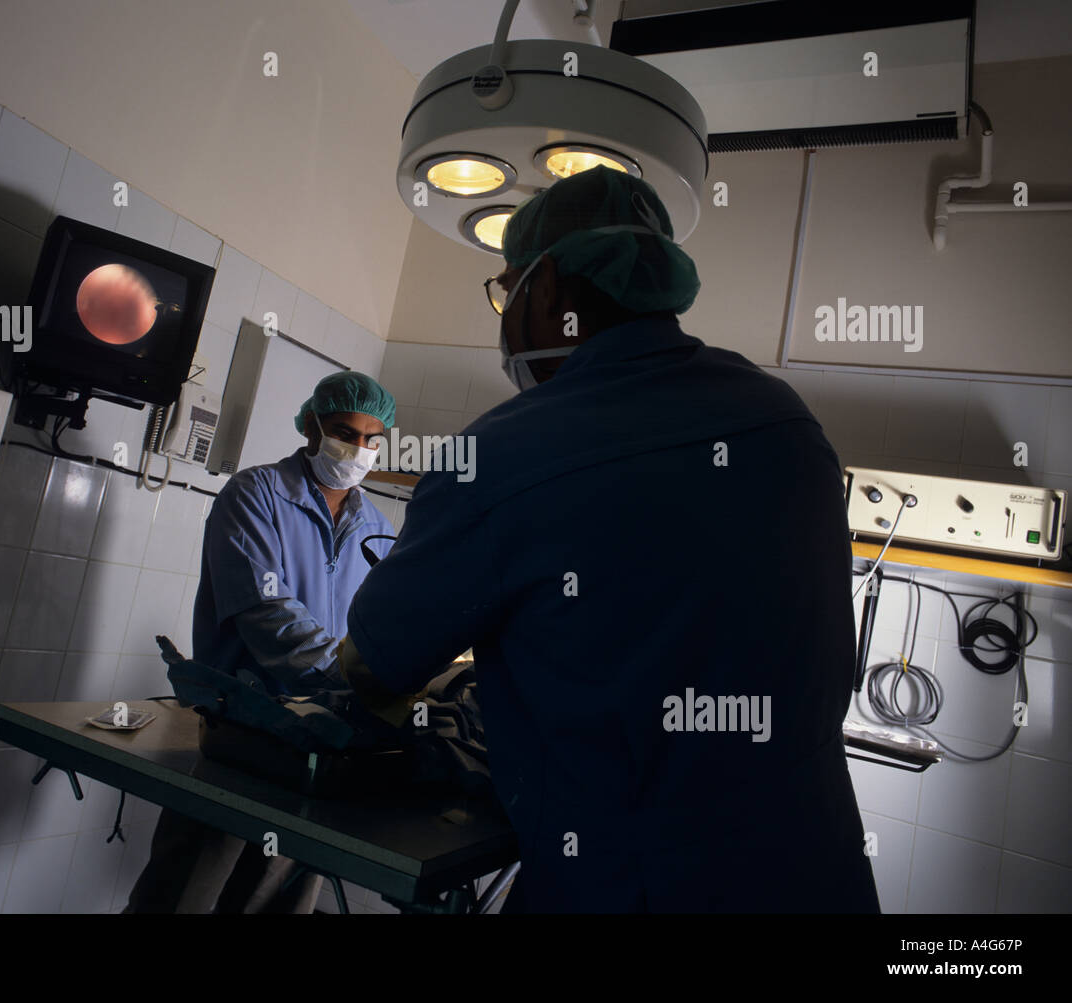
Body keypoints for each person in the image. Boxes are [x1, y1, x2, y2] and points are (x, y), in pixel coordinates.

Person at [337, 166, 880, 913]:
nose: (504, 316)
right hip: (823, 879)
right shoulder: (785, 419)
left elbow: (372, 666)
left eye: (507, 290)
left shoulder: (502, 454)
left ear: (549, 288)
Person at [124, 371, 398, 913]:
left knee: (276, 896)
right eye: (345, 432)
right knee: (184, 891)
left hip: (321, 743)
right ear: (312, 425)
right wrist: (353, 683)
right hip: (241, 733)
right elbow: (265, 611)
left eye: (372, 439)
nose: (358, 449)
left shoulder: (376, 525)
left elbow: (376, 625)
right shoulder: (256, 494)